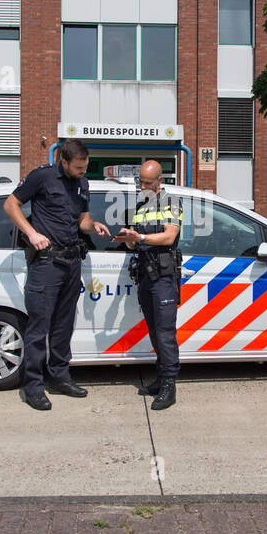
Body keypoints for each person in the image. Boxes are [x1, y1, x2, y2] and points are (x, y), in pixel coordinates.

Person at [3, 139, 111, 411]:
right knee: (39, 328)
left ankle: (60, 377)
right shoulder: (42, 177)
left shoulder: (82, 183)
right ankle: (34, 387)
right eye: (78, 167)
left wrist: (93, 225)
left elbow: (82, 220)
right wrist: (32, 233)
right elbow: (10, 205)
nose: (83, 171)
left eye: (85, 167)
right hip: (46, 264)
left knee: (64, 326)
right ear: (63, 161)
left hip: (72, 261)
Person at [114, 160, 182, 410]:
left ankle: (169, 386)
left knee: (165, 333)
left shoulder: (171, 203)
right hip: (145, 274)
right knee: (154, 331)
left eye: (147, 183)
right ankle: (160, 377)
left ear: (159, 181)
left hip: (163, 276)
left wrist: (140, 237)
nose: (142, 186)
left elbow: (169, 236)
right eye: (140, 181)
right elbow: (135, 242)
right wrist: (128, 238)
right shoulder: (140, 205)